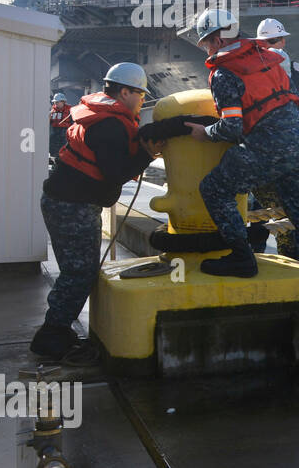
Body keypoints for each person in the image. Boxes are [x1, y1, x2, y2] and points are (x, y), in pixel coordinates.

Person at [187, 8, 299, 297]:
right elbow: (296, 102)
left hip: (266, 146)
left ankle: (241, 257)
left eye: (208, 43)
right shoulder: (269, 58)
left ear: (219, 40)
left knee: (214, 188)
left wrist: (205, 133)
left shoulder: (223, 72)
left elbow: (232, 127)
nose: (208, 49)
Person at [32, 64, 186, 364]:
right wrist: (146, 154)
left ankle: (58, 330)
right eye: (140, 94)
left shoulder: (98, 114)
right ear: (124, 91)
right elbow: (115, 174)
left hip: (64, 201)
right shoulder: (112, 125)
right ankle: (51, 336)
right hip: (71, 206)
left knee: (77, 271)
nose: (142, 100)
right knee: (79, 273)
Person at [245, 19, 299, 261]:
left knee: (276, 200)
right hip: (274, 148)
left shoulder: (297, 72)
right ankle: (260, 249)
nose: (273, 45)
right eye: (268, 42)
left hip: (286, 148)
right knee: (264, 202)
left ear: (283, 41)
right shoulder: (260, 71)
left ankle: (294, 251)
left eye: (275, 41)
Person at [48, 92, 72, 158]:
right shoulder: (52, 111)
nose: (56, 104)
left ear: (63, 102)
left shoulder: (70, 111)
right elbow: (49, 122)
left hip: (65, 132)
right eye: (55, 102)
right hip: (55, 132)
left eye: (57, 102)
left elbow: (73, 123)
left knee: (64, 147)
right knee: (52, 146)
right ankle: (54, 158)